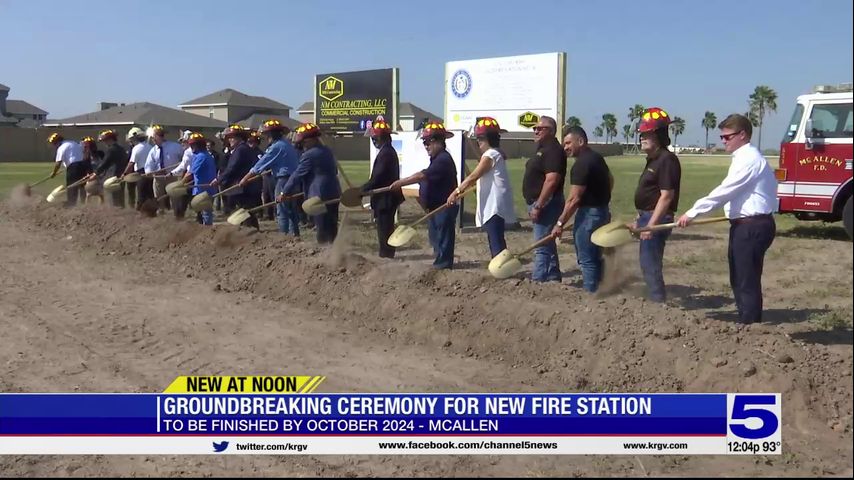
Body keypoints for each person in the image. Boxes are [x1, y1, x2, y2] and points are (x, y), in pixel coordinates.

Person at [677, 114, 777, 324]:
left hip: (753, 226)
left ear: (742, 135)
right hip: (744, 225)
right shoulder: (742, 158)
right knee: (738, 277)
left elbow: (725, 191)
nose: (723, 141)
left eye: (727, 137)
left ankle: (750, 325)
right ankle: (746, 319)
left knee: (745, 280)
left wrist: (692, 213)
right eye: (722, 137)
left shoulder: (750, 159)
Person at [552, 126, 613, 292]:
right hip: (602, 212)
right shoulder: (596, 158)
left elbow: (573, 199)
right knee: (597, 256)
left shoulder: (581, 164)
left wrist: (559, 223)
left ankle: (590, 294)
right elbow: (610, 179)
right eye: (564, 144)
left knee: (587, 259)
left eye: (568, 143)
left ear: (581, 141)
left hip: (589, 216)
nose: (565, 148)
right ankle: (602, 289)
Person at [391, 121, 459, 269]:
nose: (426, 146)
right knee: (436, 238)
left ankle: (444, 264)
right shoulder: (436, 159)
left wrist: (400, 183)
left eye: (428, 142)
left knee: (444, 237)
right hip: (435, 207)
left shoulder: (443, 160)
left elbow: (422, 176)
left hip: (444, 206)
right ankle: (440, 261)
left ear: (439, 142)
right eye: (424, 143)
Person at [631, 107, 681, 303]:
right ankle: (655, 301)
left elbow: (666, 196)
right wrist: (639, 218)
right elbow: (651, 194)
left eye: (647, 134)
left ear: (660, 135)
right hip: (647, 216)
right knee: (647, 263)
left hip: (657, 219)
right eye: (641, 134)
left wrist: (651, 224)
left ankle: (657, 304)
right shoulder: (653, 160)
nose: (642, 137)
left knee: (650, 263)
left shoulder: (667, 160)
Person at [448, 117, 516, 259]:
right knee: (495, 237)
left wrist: (456, 191)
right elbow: (480, 161)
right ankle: (499, 262)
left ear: (489, 139)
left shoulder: (491, 155)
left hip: (494, 206)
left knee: (496, 239)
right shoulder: (494, 153)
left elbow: (474, 176)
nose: (478, 141)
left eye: (481, 138)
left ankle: (501, 264)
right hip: (494, 204)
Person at [280, 123, 342, 244]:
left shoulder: (309, 155)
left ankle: (324, 253)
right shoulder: (327, 150)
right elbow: (334, 170)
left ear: (311, 140)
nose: (302, 146)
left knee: (322, 227)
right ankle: (334, 250)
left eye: (303, 142)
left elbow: (297, 175)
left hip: (319, 195)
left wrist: (284, 192)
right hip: (334, 191)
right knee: (332, 225)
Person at [522, 116, 567, 282]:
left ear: (551, 131)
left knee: (541, 245)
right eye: (535, 128)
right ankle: (554, 276)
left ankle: (538, 280)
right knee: (547, 241)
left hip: (547, 203)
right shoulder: (542, 149)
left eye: (540, 128)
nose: (536, 130)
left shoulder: (553, 150)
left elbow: (552, 180)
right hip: (539, 202)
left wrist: (539, 205)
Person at [239, 119, 300, 237]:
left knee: (282, 211)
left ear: (271, 135)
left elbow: (260, 165)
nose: (266, 137)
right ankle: (295, 236)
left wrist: (245, 178)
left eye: (266, 134)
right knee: (291, 210)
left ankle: (284, 237)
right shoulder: (287, 144)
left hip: (283, 180)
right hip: (293, 180)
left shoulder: (276, 147)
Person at [363, 117, 405, 258]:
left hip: (386, 199)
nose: (373, 141)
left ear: (382, 138)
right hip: (384, 199)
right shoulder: (386, 151)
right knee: (384, 229)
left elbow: (378, 178)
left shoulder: (386, 153)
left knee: (385, 230)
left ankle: (386, 256)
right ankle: (386, 254)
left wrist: (361, 190)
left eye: (375, 138)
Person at [212, 124, 262, 229]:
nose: (230, 140)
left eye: (232, 137)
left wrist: (218, 179)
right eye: (229, 137)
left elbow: (232, 168)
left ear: (239, 138)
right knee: (247, 212)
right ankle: (252, 232)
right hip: (243, 186)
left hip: (243, 187)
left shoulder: (241, 149)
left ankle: (250, 232)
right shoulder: (240, 149)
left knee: (244, 212)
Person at [144, 125, 183, 212]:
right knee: (159, 197)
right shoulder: (153, 150)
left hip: (172, 176)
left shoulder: (175, 147)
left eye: (154, 137)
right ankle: (161, 213)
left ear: (160, 136)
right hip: (158, 177)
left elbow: (184, 160)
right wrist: (149, 172)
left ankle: (175, 213)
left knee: (174, 196)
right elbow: (149, 164)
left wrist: (179, 170)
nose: (153, 139)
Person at [182, 133, 218, 226]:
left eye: (192, 145)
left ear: (198, 145)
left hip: (205, 190)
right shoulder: (201, 155)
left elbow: (190, 173)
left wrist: (180, 183)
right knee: (201, 213)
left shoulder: (202, 156)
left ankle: (207, 232)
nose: (191, 147)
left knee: (206, 213)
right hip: (201, 189)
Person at [49, 133, 87, 206]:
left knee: (72, 186)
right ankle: (83, 203)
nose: (53, 145)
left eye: (53, 143)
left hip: (73, 167)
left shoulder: (61, 147)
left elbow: (58, 163)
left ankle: (71, 203)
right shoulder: (73, 143)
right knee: (82, 185)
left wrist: (54, 173)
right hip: (83, 164)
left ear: (56, 142)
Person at [94, 129, 129, 208]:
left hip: (113, 177)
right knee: (120, 196)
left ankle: (115, 212)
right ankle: (121, 211)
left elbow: (105, 163)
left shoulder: (111, 150)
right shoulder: (121, 149)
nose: (104, 143)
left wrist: (95, 173)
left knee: (113, 197)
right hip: (121, 176)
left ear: (110, 139)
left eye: (105, 141)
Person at [121, 127, 153, 209]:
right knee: (150, 193)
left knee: (141, 193)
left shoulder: (136, 148)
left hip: (141, 172)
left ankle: (140, 210)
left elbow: (131, 163)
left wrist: (124, 174)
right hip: (151, 172)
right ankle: (152, 210)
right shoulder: (150, 146)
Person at [168, 130, 195, 219]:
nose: (182, 144)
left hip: (189, 176)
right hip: (195, 176)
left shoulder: (188, 152)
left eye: (183, 142)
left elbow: (183, 166)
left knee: (181, 196)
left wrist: (172, 173)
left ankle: (179, 216)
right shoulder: (198, 150)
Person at [248, 130, 274, 220]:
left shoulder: (259, 153)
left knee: (260, 195)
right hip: (250, 175)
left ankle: (265, 213)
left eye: (253, 142)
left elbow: (262, 164)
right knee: (263, 195)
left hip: (259, 176)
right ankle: (263, 213)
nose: (251, 144)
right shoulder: (247, 152)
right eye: (250, 142)